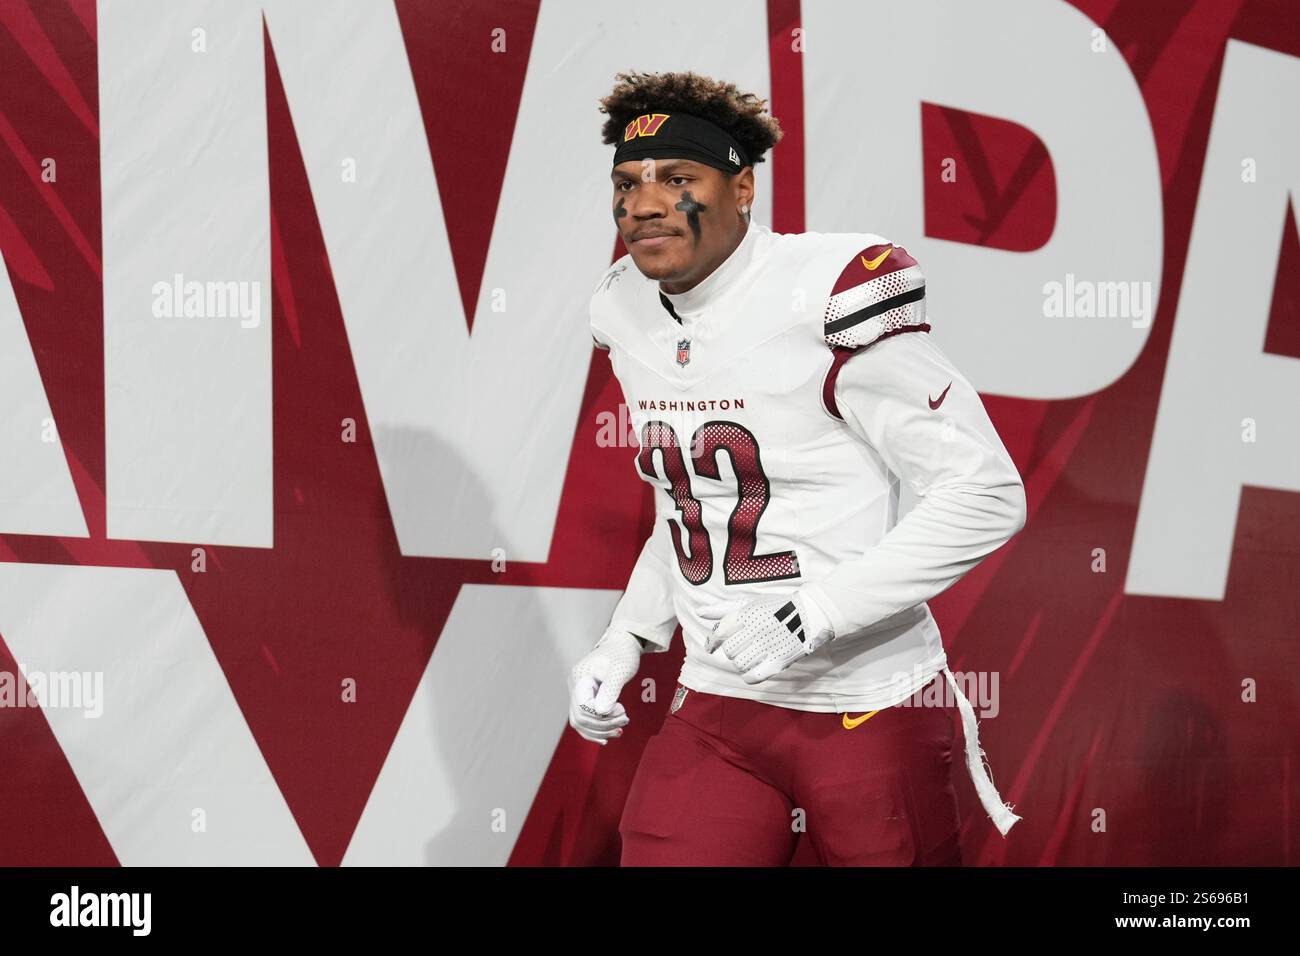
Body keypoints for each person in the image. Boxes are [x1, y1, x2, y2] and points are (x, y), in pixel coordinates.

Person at [569, 70, 1027, 866]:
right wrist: (627, 636)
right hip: (719, 699)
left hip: (867, 700)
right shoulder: (624, 310)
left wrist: (812, 612)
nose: (643, 204)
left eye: (677, 179)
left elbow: (986, 493)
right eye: (627, 183)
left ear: (743, 188)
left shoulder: (825, 292)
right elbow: (693, 502)